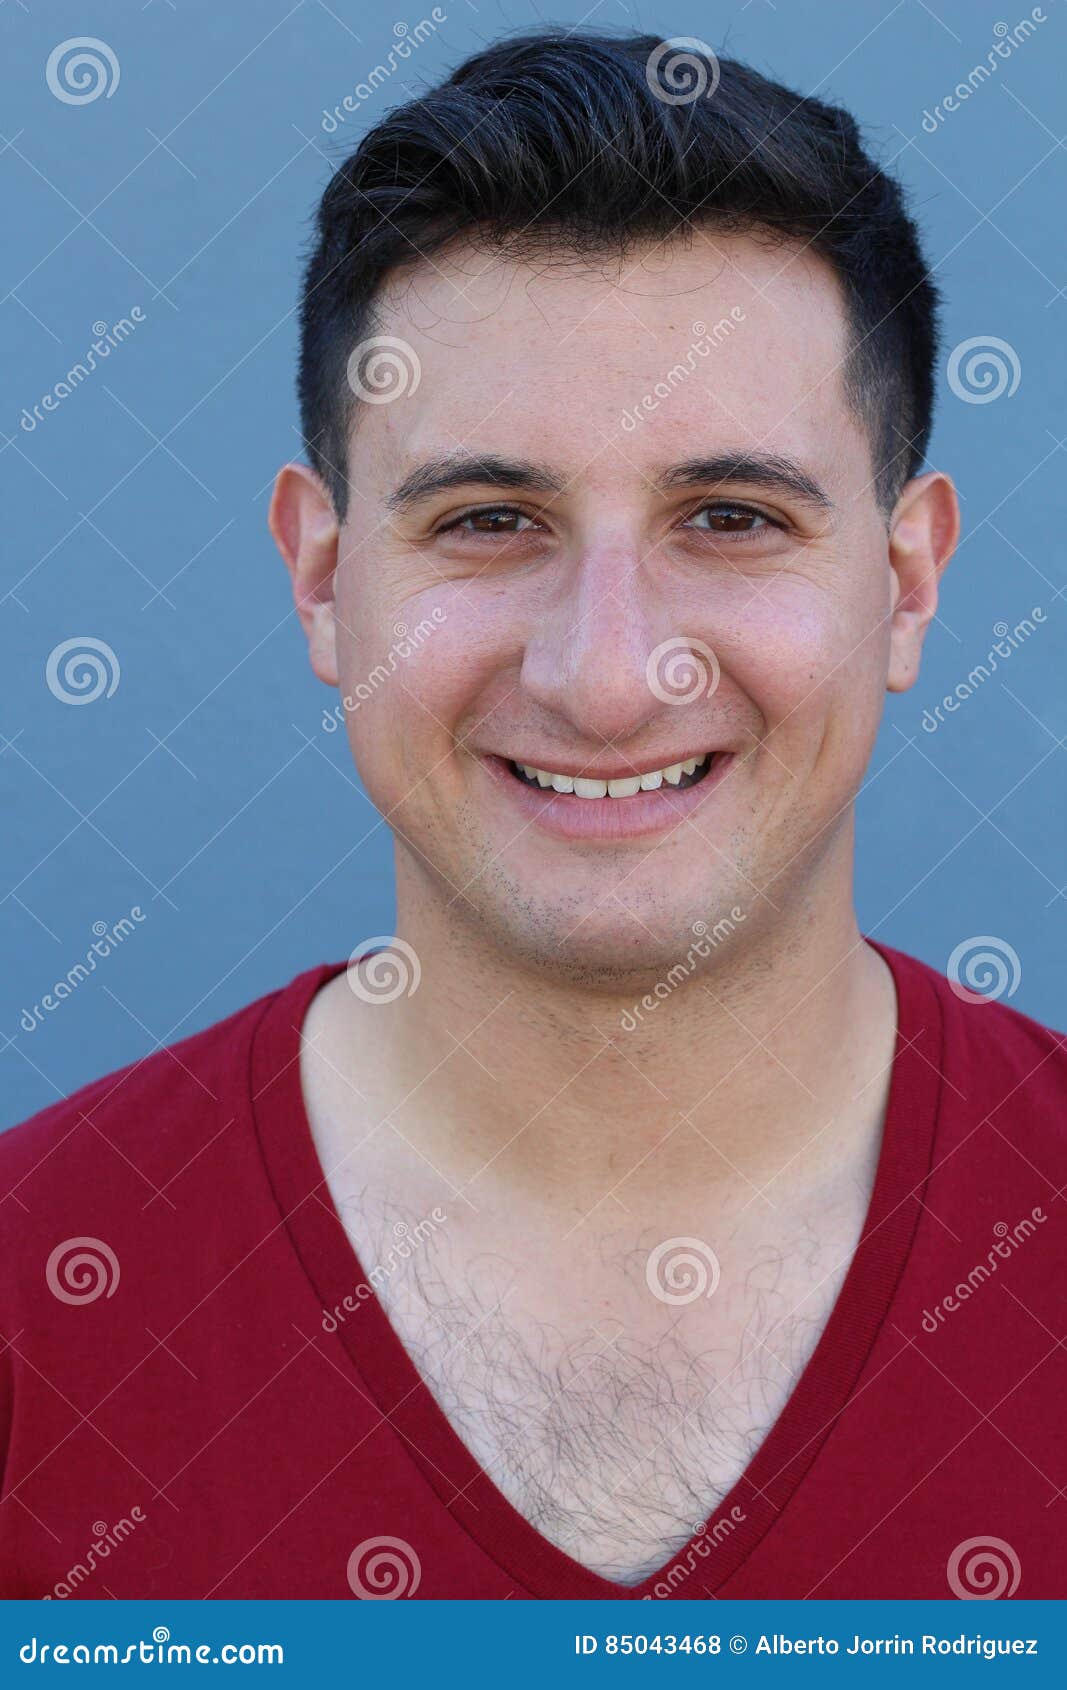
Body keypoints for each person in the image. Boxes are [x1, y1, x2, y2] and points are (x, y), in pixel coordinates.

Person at [1, 29, 1063, 1602]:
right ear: (322, 578)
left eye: (732, 517)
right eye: (491, 521)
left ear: (906, 584)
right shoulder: (38, 1306)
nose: (611, 676)